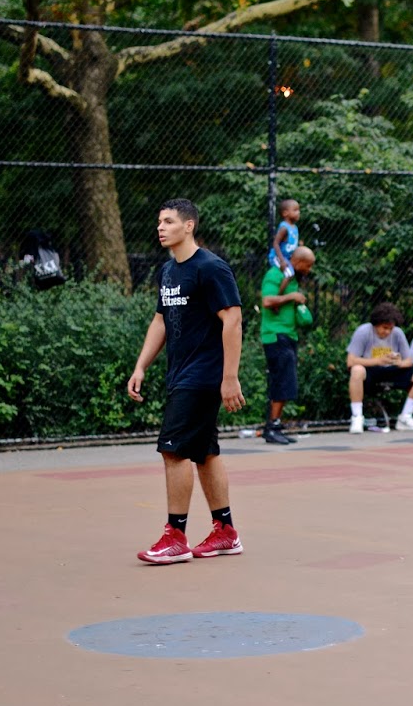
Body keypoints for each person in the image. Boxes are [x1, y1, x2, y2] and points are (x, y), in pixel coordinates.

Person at [126, 198, 246, 564]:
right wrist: (141, 366)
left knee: (173, 450)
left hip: (203, 375)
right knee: (205, 453)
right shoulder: (168, 271)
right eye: (159, 222)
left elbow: (233, 319)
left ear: (189, 225)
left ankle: (175, 537)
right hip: (180, 373)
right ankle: (225, 532)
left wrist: (229, 377)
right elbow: (160, 321)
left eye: (168, 221)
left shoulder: (211, 268)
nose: (160, 228)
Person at [346, 302, 413, 432]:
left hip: (393, 371)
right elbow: (351, 361)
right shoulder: (363, 331)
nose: (387, 332)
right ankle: (357, 418)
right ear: (375, 324)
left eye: (390, 328)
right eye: (384, 328)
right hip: (371, 371)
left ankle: (405, 418)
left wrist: (399, 363)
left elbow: (410, 360)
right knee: (357, 370)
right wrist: (378, 361)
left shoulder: (398, 333)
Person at [259, 245, 315, 445]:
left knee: (284, 380)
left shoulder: (291, 279)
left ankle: (275, 426)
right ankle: (272, 427)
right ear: (297, 262)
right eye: (307, 266)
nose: (308, 270)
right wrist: (292, 297)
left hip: (288, 335)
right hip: (275, 335)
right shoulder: (275, 275)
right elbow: (267, 301)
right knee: (281, 380)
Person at [268, 199, 301, 295]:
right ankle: (278, 296)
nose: (298, 212)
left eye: (299, 210)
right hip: (278, 257)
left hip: (288, 258)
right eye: (295, 210)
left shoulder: (295, 227)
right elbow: (275, 243)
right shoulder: (284, 228)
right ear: (285, 213)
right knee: (289, 274)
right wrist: (282, 260)